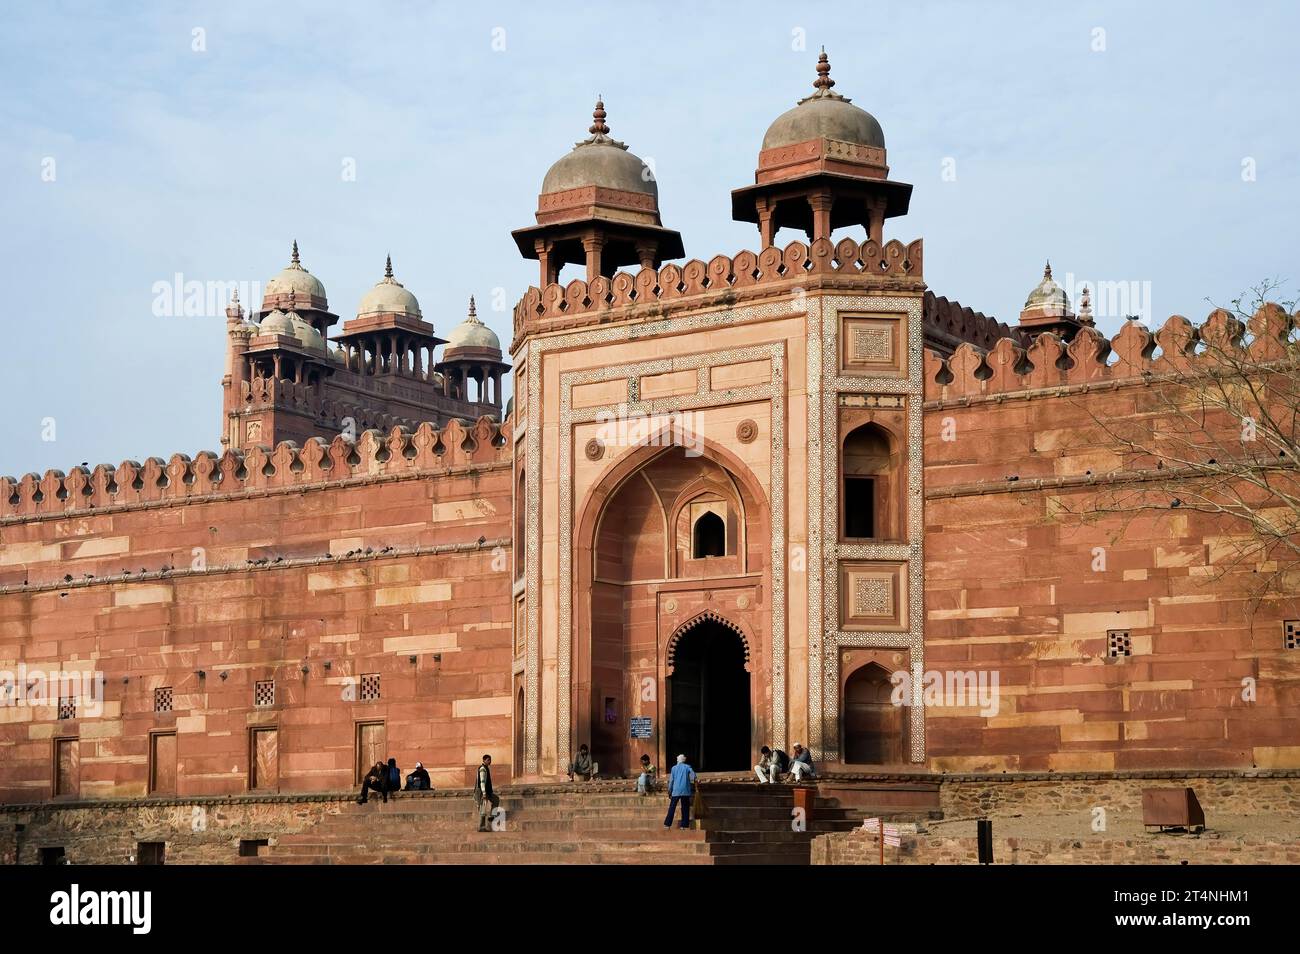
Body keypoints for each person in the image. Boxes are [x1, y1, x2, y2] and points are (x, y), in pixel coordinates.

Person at [663, 754, 696, 829]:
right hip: (685, 791)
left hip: (676, 791)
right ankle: (683, 825)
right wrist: (691, 782)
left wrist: (669, 790)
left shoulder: (674, 768)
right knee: (685, 808)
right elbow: (693, 776)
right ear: (684, 760)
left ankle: (667, 824)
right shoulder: (687, 767)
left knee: (672, 807)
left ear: (677, 760)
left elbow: (671, 780)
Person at [474, 754, 499, 832]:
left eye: (490, 760)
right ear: (484, 760)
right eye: (488, 760)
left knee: (496, 799)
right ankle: (481, 827)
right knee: (483, 808)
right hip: (483, 792)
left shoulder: (486, 768)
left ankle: (491, 816)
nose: (489, 761)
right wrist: (484, 793)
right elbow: (482, 782)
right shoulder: (482, 769)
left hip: (487, 791)